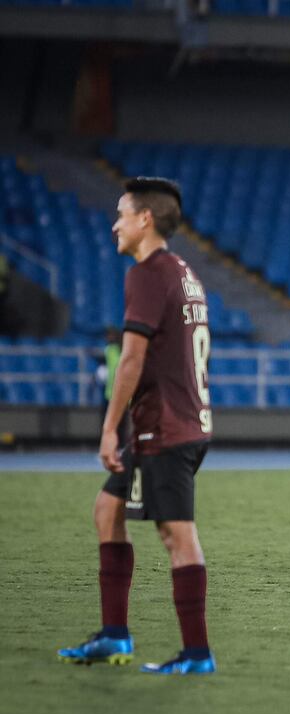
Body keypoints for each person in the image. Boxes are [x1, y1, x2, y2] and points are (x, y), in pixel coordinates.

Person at [58, 177, 215, 674]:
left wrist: (109, 429)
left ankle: (196, 654)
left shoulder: (147, 273)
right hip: (182, 418)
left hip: (164, 427)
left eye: (122, 214)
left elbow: (132, 359)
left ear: (145, 219)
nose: (115, 224)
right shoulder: (184, 271)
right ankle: (115, 636)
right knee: (109, 510)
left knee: (176, 534)